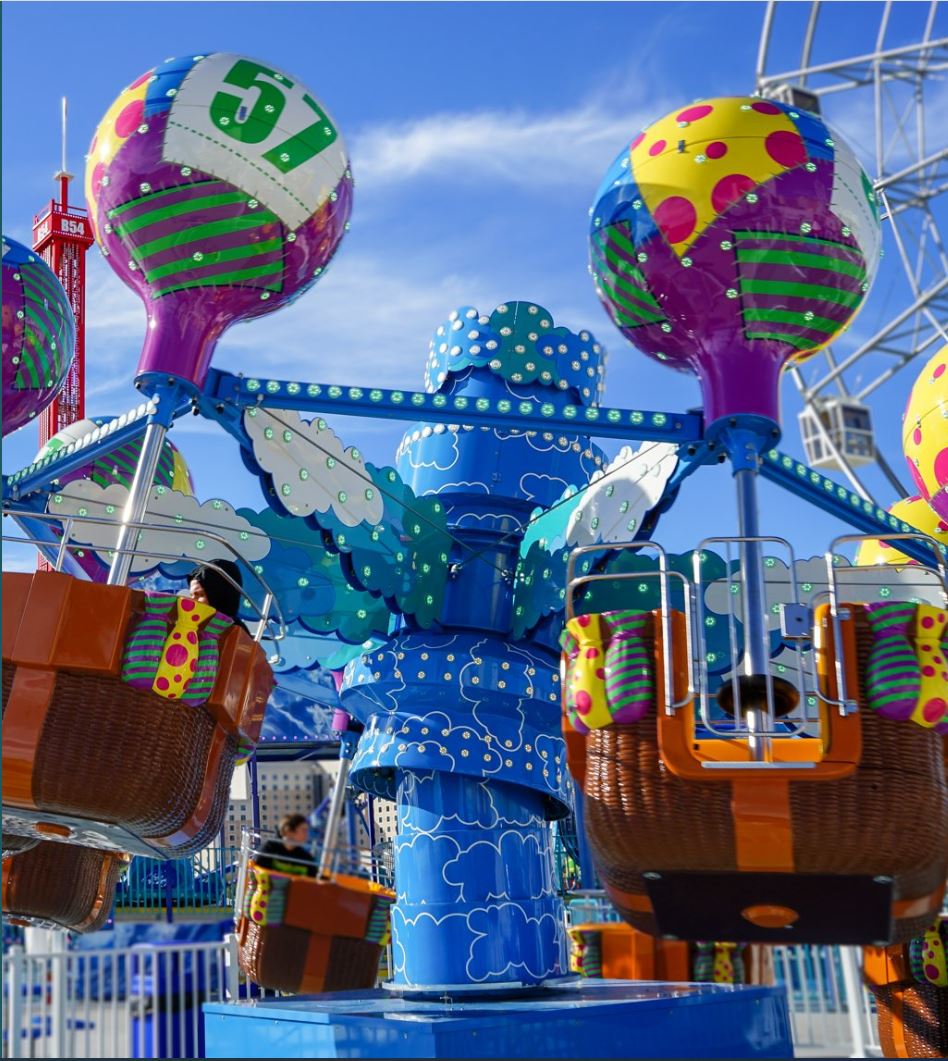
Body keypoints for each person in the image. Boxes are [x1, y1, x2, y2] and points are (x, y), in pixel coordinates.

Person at [187, 559, 249, 633]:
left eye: (200, 595)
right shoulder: (191, 625)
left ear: (219, 596)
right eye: (191, 596)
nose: (192, 601)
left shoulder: (235, 633)